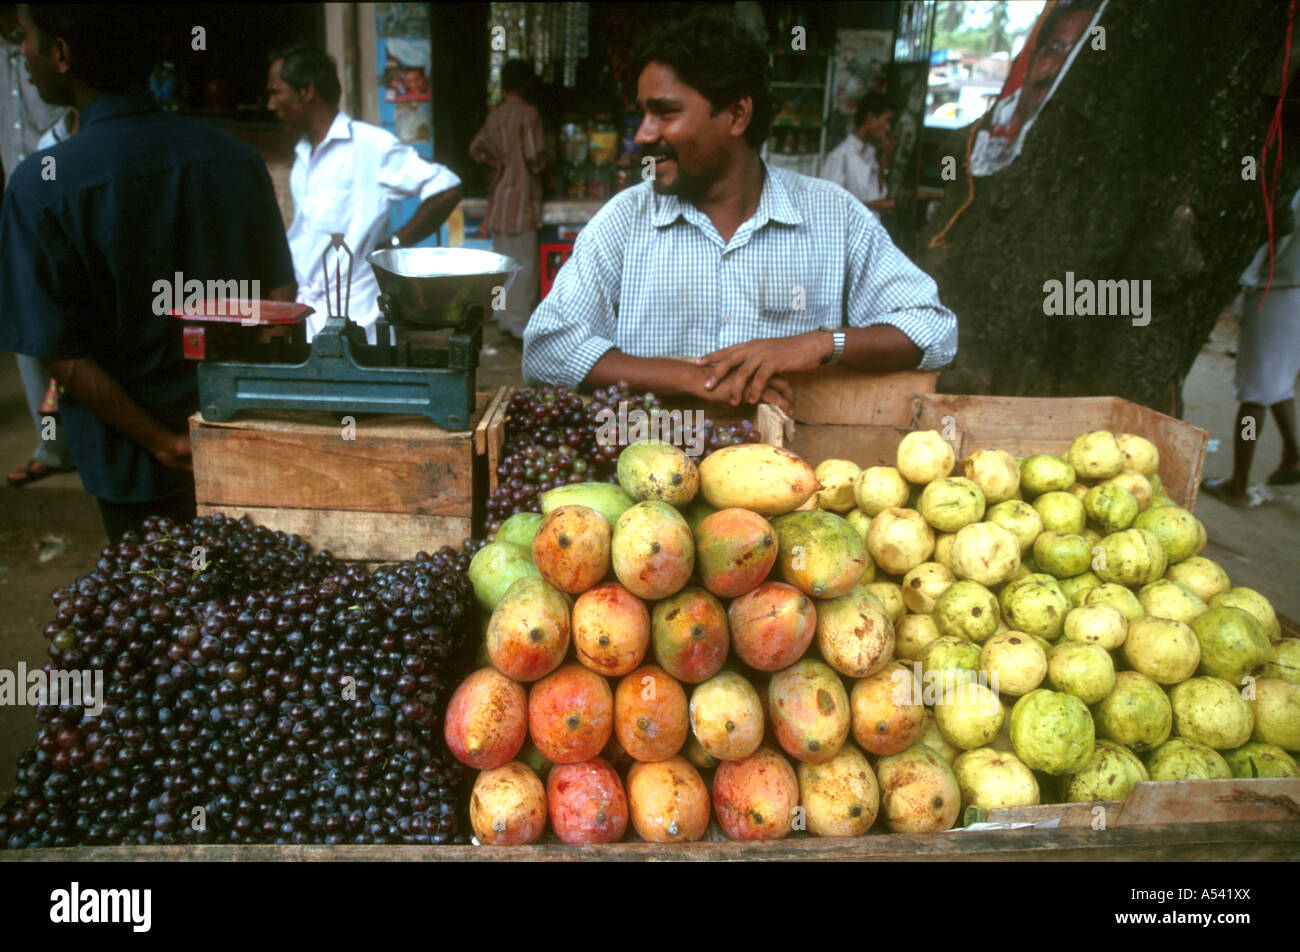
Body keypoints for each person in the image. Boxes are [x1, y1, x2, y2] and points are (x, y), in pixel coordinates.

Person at [522, 9, 957, 410]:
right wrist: (695, 377)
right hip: (653, 480)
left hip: (791, 479)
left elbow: (933, 329)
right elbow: (547, 351)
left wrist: (819, 344)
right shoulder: (623, 222)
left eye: (665, 113)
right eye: (643, 115)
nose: (644, 135)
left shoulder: (834, 217)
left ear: (736, 115)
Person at [0, 4, 296, 542]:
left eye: (26, 39)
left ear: (62, 54)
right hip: (243, 435)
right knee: (249, 599)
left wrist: (160, 441)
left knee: (156, 596)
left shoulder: (39, 184)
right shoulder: (234, 159)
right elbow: (280, 295)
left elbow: (58, 349)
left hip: (131, 460)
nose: (21, 53)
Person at [268, 44, 463, 343]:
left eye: (275, 91)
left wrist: (394, 245)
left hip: (356, 319)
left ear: (306, 92)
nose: (271, 104)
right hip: (308, 314)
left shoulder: (369, 146)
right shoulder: (303, 156)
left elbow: (446, 187)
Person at [1, 3, 71, 487]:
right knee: (28, 334)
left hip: (67, 198)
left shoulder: (48, 37)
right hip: (19, 202)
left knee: (75, 327)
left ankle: (102, 442)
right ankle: (52, 445)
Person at [1201, 187, 1300, 507]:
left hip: (1279, 289)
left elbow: (1276, 232)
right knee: (1277, 381)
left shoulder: (1290, 187)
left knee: (1254, 395)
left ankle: (1238, 485)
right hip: (1291, 292)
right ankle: (1293, 454)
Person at [469, 58, 545, 343]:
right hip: (522, 200)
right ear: (525, 84)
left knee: (505, 268)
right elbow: (534, 157)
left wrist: (496, 162)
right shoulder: (528, 114)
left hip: (500, 200)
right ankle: (520, 329)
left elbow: (476, 149)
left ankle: (504, 322)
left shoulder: (496, 115)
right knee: (523, 270)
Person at [821, 91, 895, 216]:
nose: (888, 128)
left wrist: (885, 159)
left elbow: (879, 195)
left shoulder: (871, 154)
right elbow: (829, 203)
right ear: (870, 118)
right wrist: (872, 205)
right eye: (886, 120)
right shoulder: (840, 156)